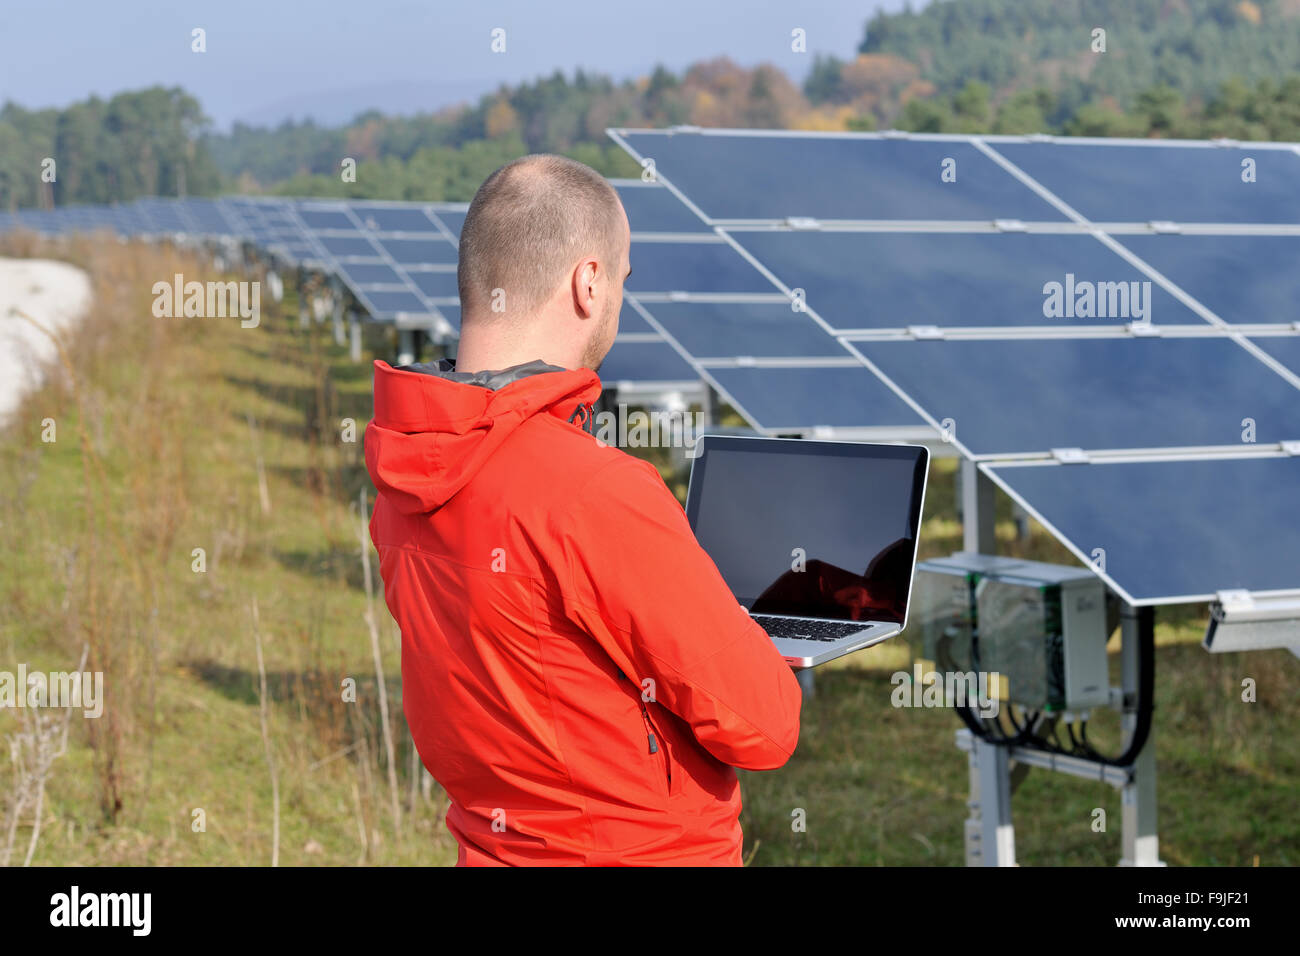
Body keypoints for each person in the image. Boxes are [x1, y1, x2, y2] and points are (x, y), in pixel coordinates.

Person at [364, 154, 802, 866]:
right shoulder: (597, 492)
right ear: (588, 282)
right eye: (623, 278)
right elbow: (764, 726)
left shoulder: (405, 466)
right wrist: (744, 645)